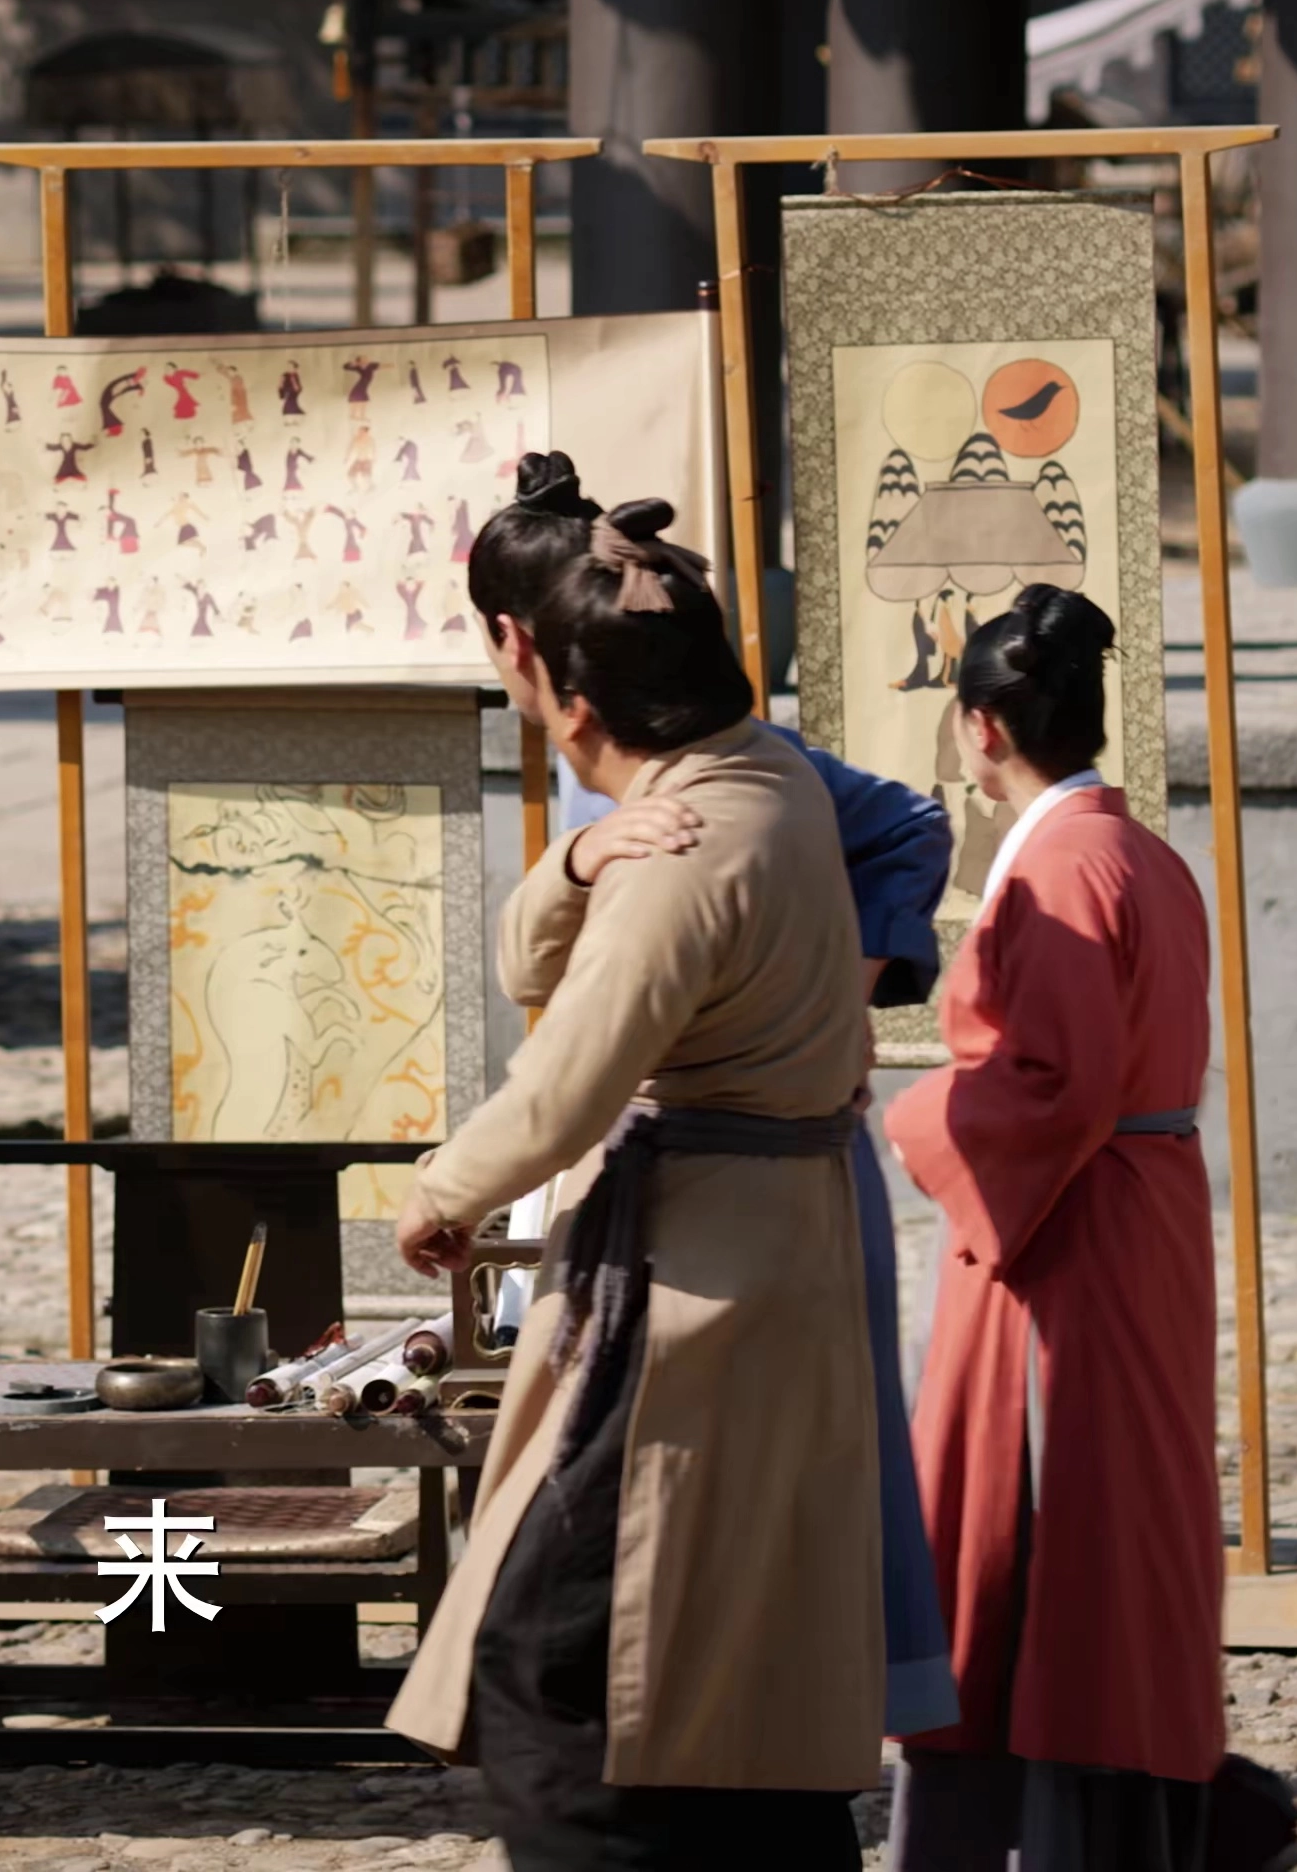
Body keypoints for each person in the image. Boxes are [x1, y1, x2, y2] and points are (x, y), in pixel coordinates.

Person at [388, 455, 885, 1869]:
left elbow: (562, 1085)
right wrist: (580, 862)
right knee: (739, 1638)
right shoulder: (758, 777)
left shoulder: (682, 852)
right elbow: (533, 954)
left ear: (535, 667)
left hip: (690, 1294)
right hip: (762, 1255)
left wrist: (443, 1195)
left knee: (558, 1652)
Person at [881, 584, 1238, 1869]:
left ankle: (1040, 1837)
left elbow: (1054, 1081)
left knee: (1049, 1525)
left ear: (980, 727)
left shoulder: (1065, 863)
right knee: (1109, 1525)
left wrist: (916, 1119)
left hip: (1064, 1235)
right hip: (1117, 1210)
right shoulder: (1131, 849)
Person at [537, 698, 964, 1749]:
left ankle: (786, 1708)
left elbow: (912, 826)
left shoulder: (756, 768)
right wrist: (584, 855)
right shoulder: (594, 755)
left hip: (773, 1151)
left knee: (788, 1451)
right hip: (630, 1135)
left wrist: (837, 1000)